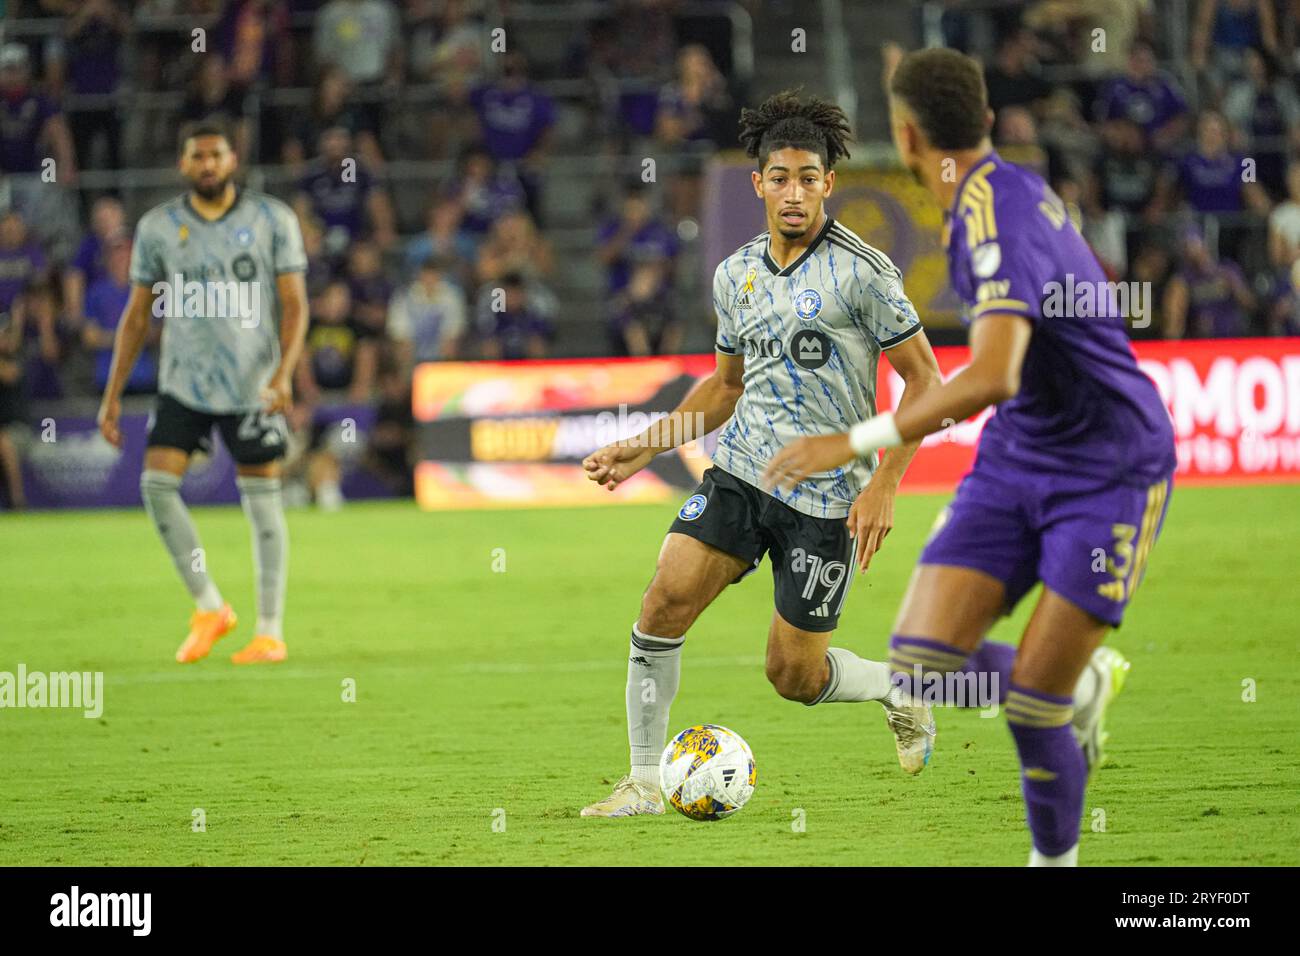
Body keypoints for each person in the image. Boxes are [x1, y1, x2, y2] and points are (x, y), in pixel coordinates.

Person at [765, 49, 1178, 867]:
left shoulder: (995, 214)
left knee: (1031, 707)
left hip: (1107, 467)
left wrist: (851, 443)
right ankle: (1083, 687)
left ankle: (1052, 855)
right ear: (984, 121)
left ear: (906, 135)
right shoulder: (989, 196)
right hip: (1020, 453)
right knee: (921, 670)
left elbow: (994, 373)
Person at [578, 91, 944, 818]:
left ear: (828, 185)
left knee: (793, 676)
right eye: (780, 177)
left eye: (809, 177)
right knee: (663, 600)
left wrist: (886, 484)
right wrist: (638, 446)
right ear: (759, 184)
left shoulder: (863, 274)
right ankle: (646, 783)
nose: (795, 191)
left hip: (827, 499)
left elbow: (927, 382)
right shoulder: (735, 275)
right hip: (742, 475)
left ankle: (898, 689)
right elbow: (723, 389)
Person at [96, 121, 309, 666]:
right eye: (198, 156)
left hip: (253, 384)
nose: (208, 164)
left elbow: (295, 305)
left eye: (217, 155)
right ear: (183, 165)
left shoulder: (271, 220)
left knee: (263, 503)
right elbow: (137, 315)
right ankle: (210, 606)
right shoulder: (159, 227)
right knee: (157, 486)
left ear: (233, 160)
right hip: (184, 383)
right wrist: (112, 394)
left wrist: (284, 374)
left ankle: (269, 632)